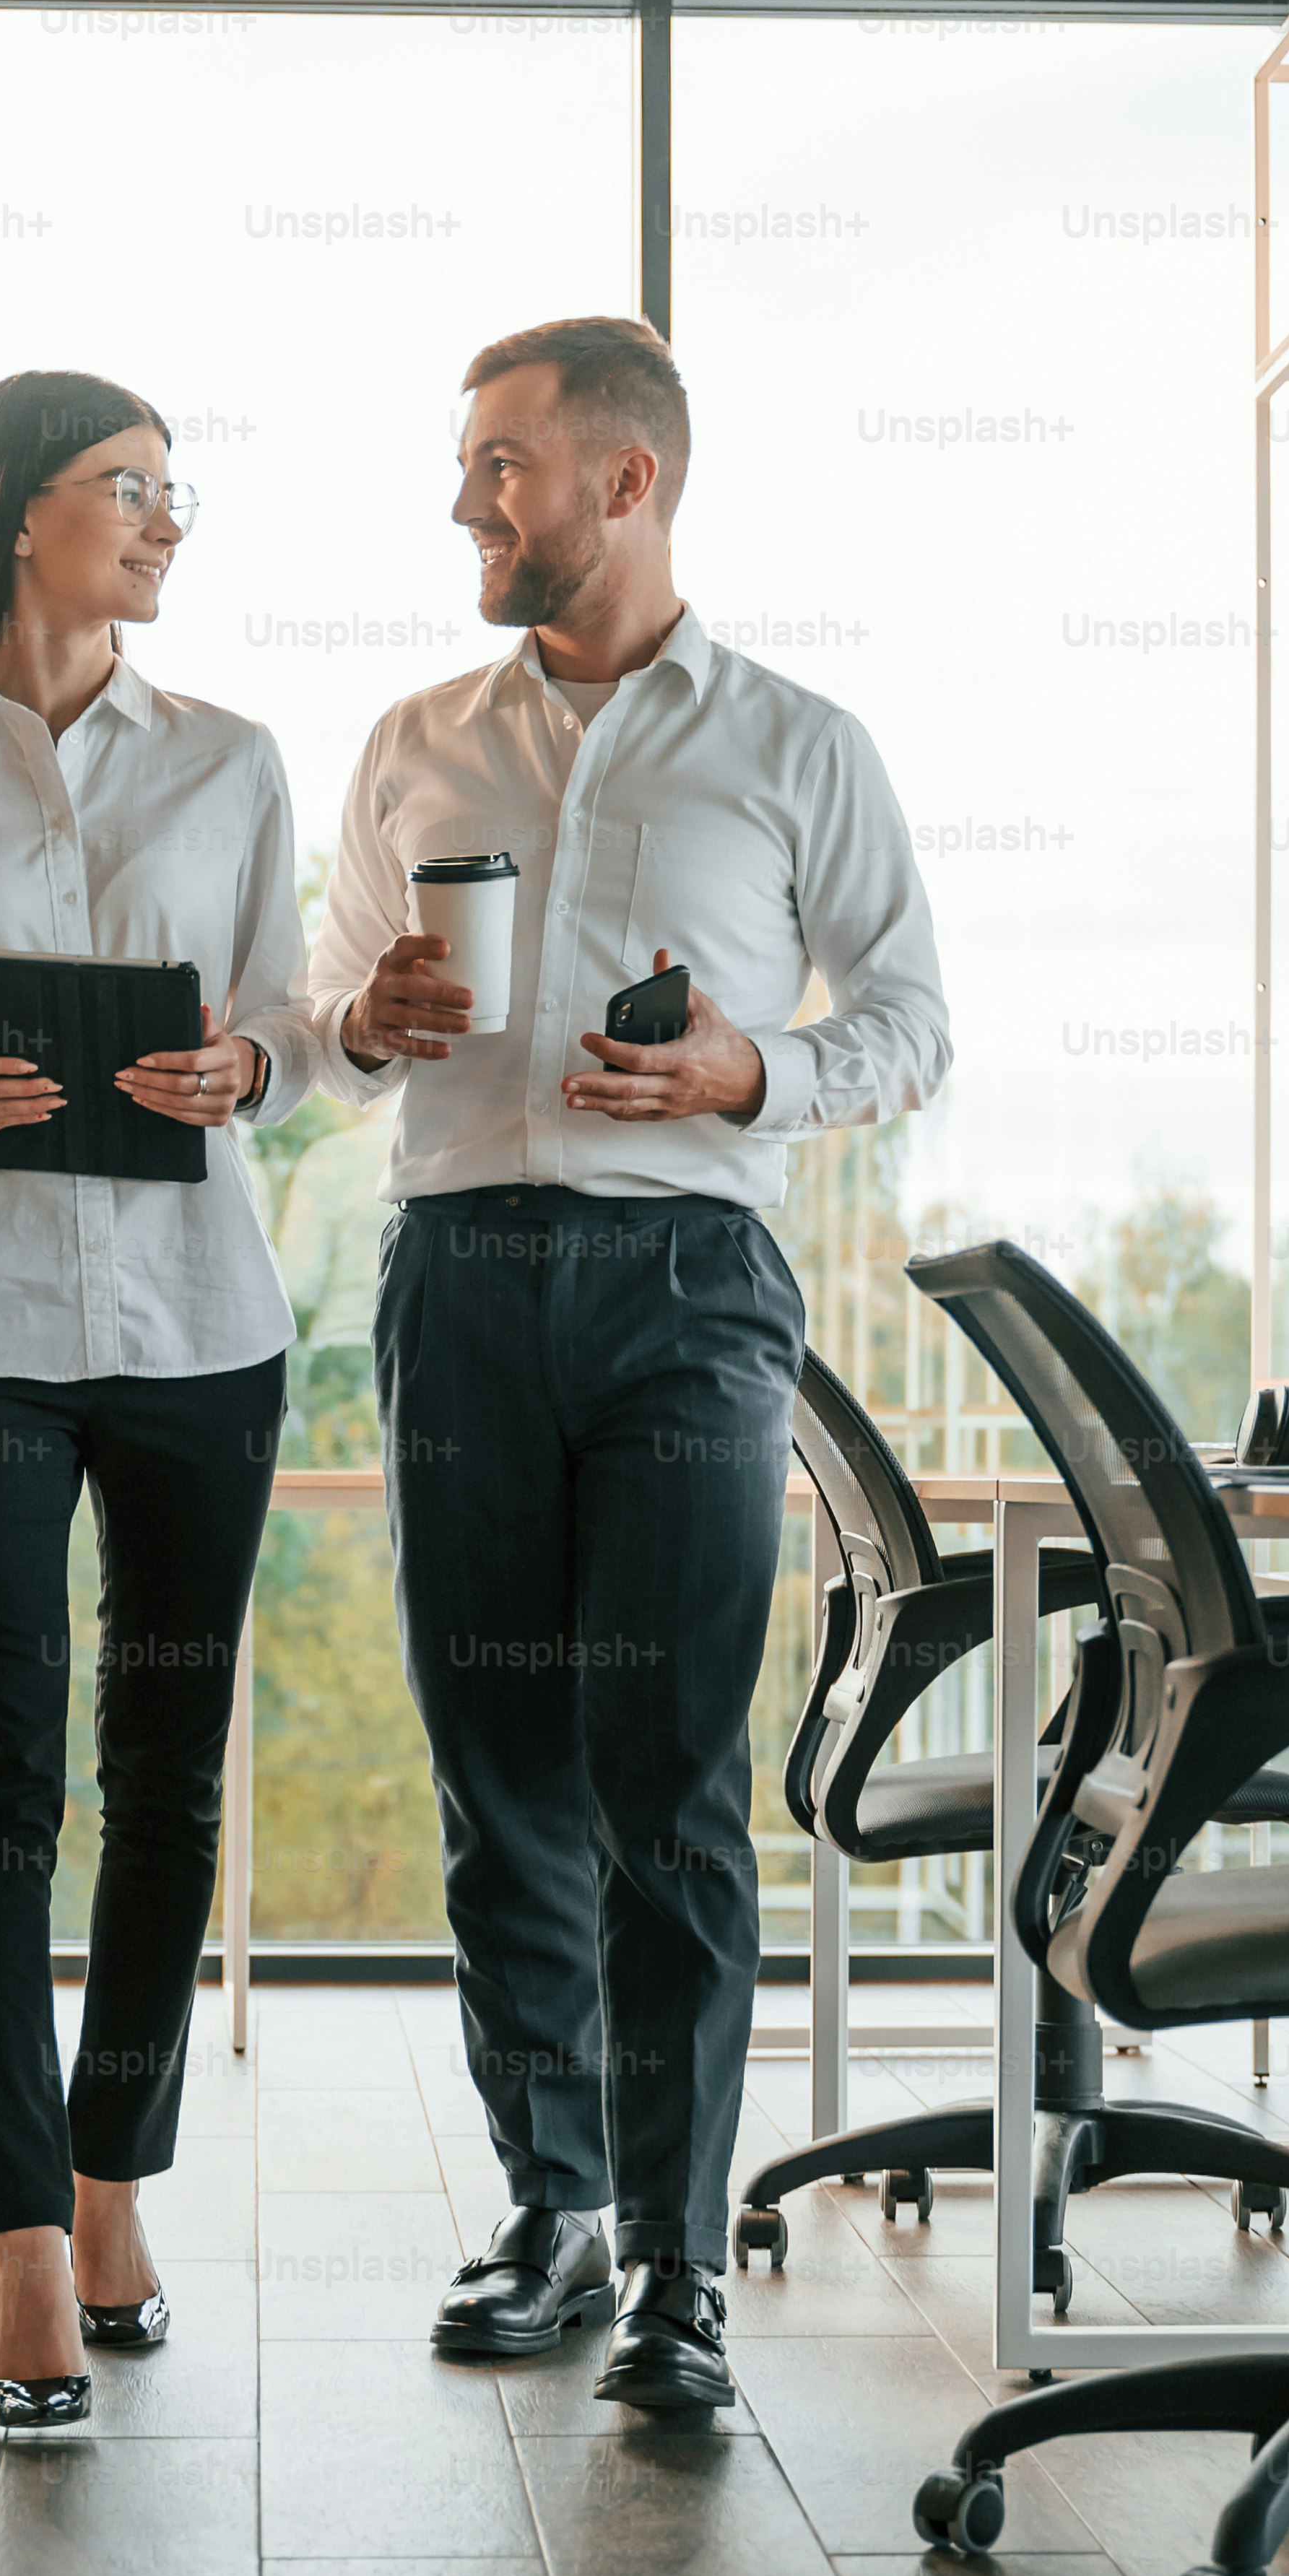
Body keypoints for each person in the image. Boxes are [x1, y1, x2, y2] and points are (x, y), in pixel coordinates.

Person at [300, 316, 950, 2410]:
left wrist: (754, 1066)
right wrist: (365, 1021)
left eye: (501, 463)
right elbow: (321, 1018)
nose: (469, 500)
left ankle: (681, 2266)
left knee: (664, 1788)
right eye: (470, 464)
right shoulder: (413, 740)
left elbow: (916, 1024)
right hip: (461, 1272)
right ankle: (554, 2209)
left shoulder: (795, 742)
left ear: (626, 482)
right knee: (503, 1781)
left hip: (691, 1287)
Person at [0, 370, 316, 2432]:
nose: (168, 525)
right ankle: (17, 2248)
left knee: (169, 1782)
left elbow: (289, 1005)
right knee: (0, 1787)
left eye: (178, 495)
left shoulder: (237, 765)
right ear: (24, 513)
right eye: (130, 492)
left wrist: (248, 1070)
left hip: (207, 1329)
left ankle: (114, 2189)